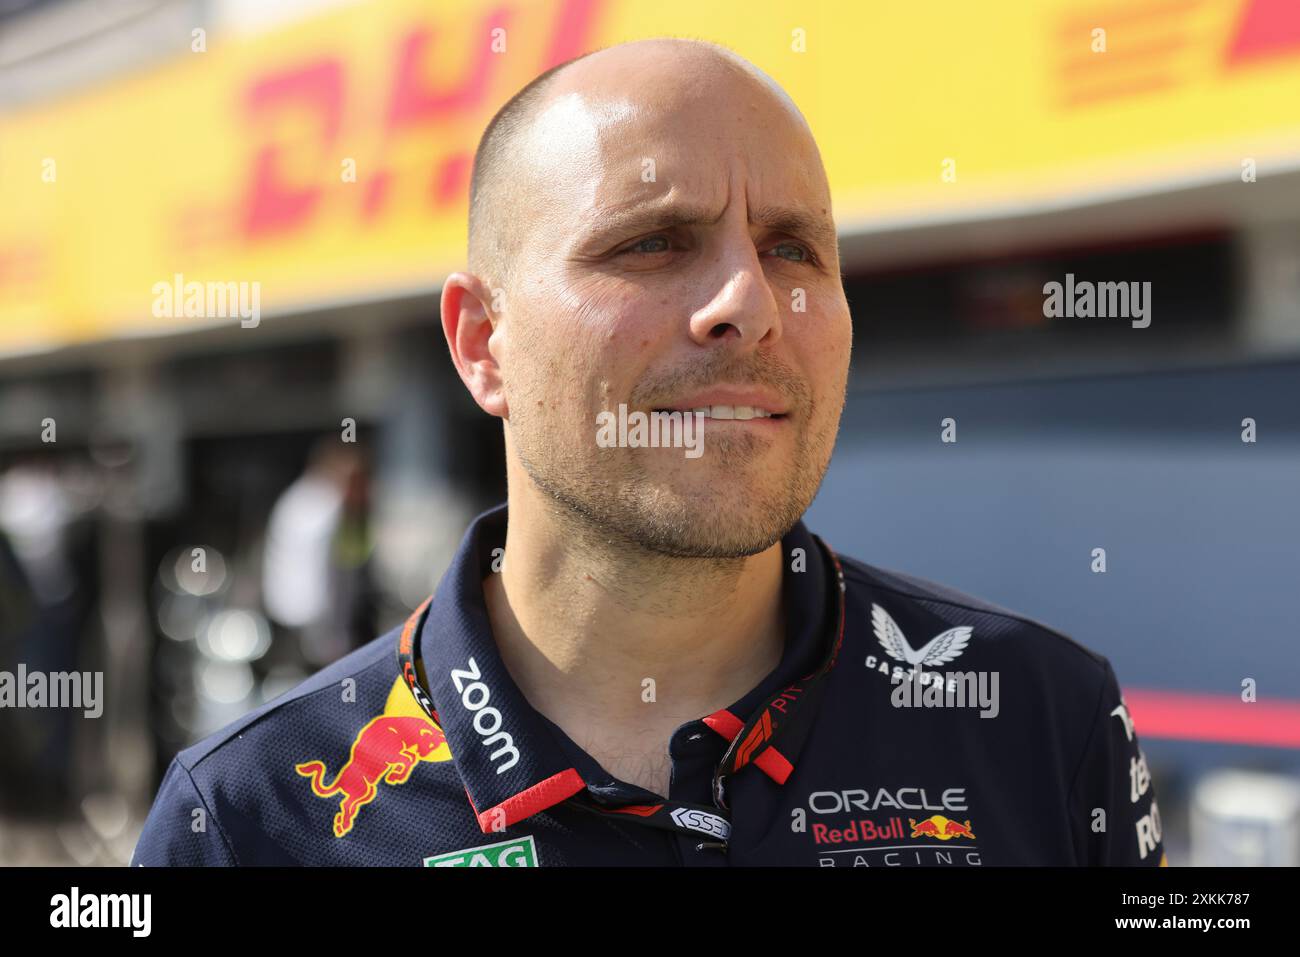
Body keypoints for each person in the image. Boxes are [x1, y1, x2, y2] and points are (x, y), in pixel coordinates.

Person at [132, 37, 1165, 866]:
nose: (748, 306)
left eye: (791, 247)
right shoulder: (249, 818)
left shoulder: (1041, 718)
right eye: (651, 243)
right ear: (483, 345)